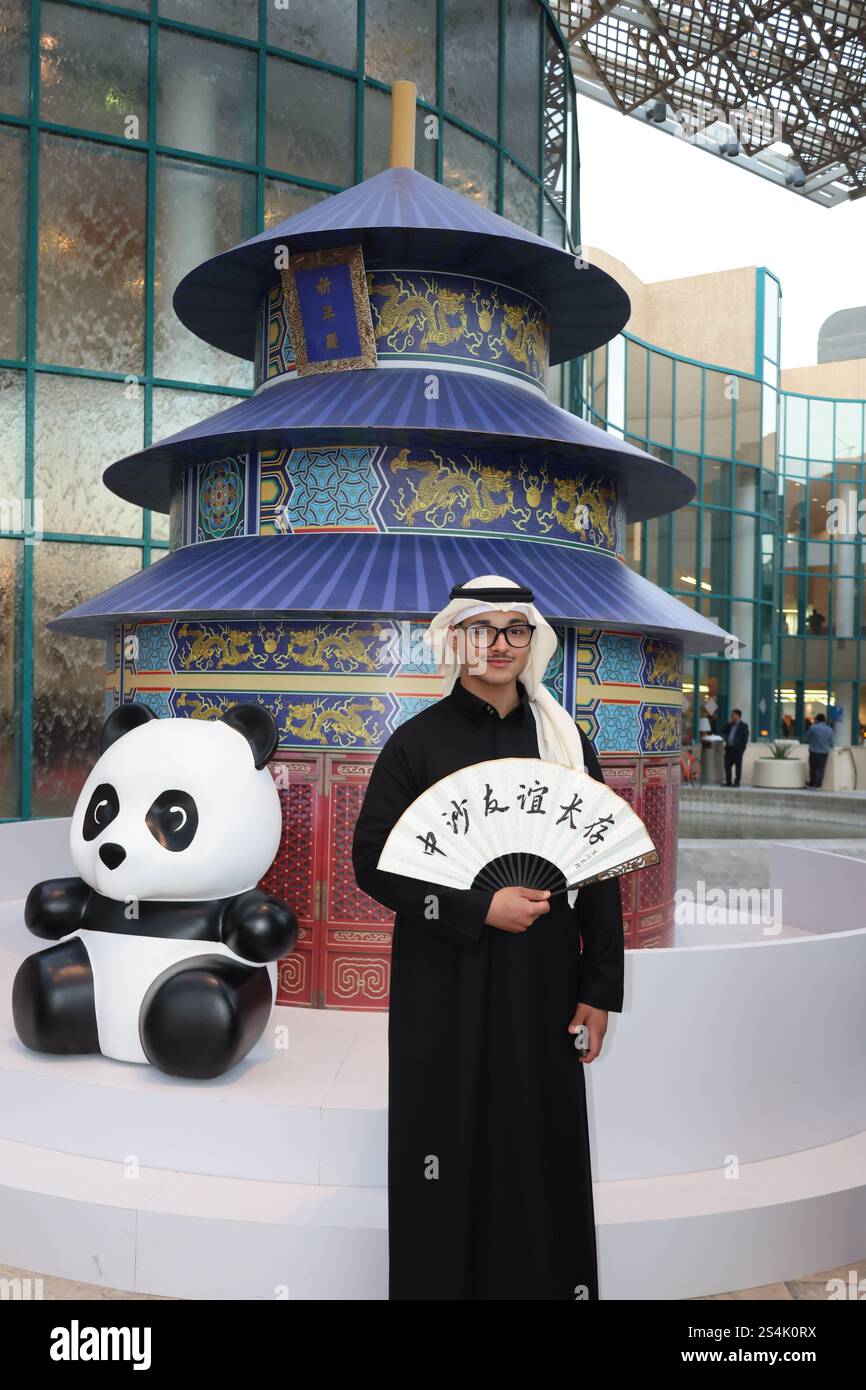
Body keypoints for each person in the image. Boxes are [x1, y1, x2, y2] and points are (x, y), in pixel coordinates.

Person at [351, 574, 625, 1300]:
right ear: (454, 638)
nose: (499, 643)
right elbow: (373, 862)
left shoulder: (565, 744)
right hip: (445, 978)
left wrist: (600, 990)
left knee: (538, 1136)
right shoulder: (415, 745)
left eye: (515, 629)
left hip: (544, 982)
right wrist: (478, 906)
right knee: (446, 1133)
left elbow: (601, 869)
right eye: (482, 627)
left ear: (533, 642)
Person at [721, 708, 749, 787]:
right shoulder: (731, 725)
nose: (732, 716)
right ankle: (728, 781)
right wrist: (728, 724)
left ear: (738, 716)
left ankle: (737, 782)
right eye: (731, 715)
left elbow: (745, 739)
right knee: (727, 765)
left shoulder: (743, 726)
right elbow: (723, 730)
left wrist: (741, 750)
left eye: (733, 715)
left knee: (738, 766)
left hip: (737, 750)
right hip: (729, 749)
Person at [806, 712, 834, 787]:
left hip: (814, 751)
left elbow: (808, 738)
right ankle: (819, 784)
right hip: (824, 752)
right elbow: (831, 742)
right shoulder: (830, 730)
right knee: (821, 768)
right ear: (824, 720)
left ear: (817, 720)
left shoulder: (812, 728)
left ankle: (812, 783)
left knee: (813, 768)